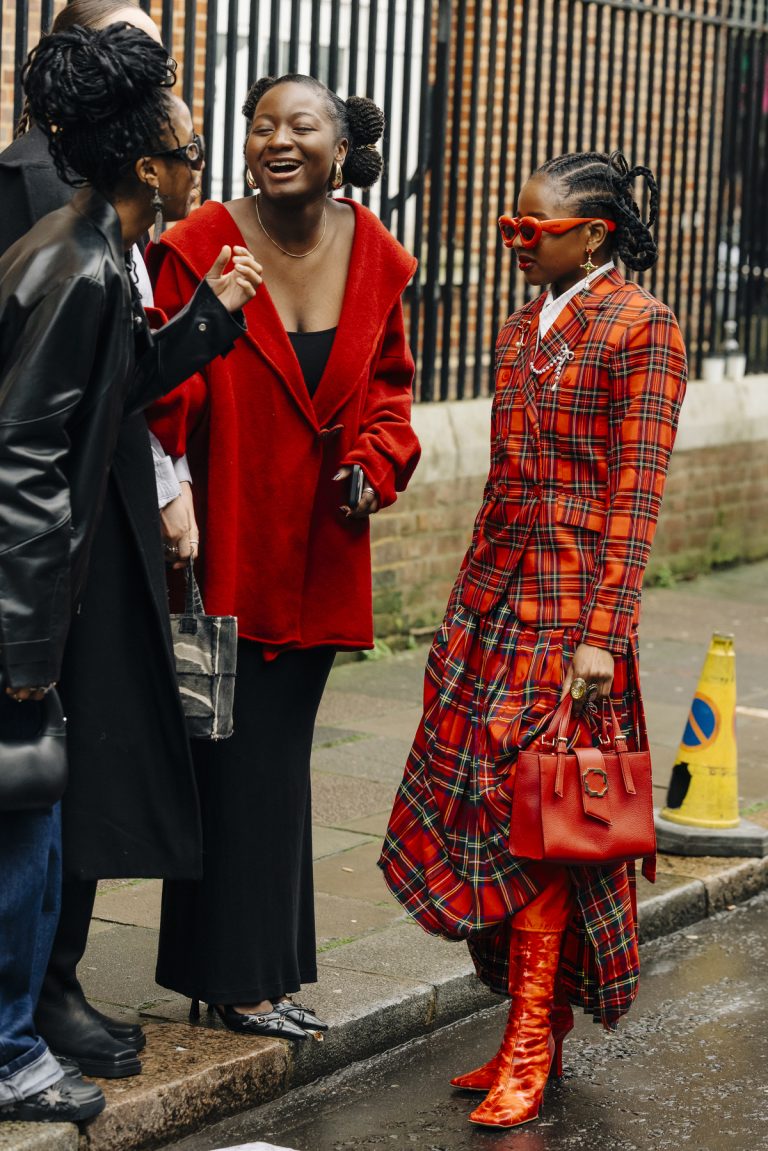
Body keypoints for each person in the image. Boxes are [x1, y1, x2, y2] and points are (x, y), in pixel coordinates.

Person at [379, 150, 688, 1128]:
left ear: (590, 233)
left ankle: (529, 1041)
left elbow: (635, 499)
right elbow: (502, 488)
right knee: (484, 814)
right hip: (494, 609)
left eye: (531, 228)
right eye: (510, 227)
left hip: (571, 622)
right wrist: (459, 611)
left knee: (549, 830)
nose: (515, 240)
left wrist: (605, 632)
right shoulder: (520, 330)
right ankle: (530, 1024)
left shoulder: (644, 329)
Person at [0, 24, 260, 1121]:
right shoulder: (78, 261)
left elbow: (110, 394)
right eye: (190, 151)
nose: (202, 164)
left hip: (41, 602)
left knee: (40, 827)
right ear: (146, 166)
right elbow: (22, 451)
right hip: (23, 607)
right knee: (22, 830)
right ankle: (11, 1050)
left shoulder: (102, 252)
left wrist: (209, 319)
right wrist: (24, 649)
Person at [147, 73, 420, 1040]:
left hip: (320, 557)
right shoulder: (195, 245)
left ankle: (253, 973)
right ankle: (237, 981)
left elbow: (389, 397)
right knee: (228, 762)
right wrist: (171, 494)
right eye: (262, 123)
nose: (278, 138)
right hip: (223, 551)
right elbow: (162, 389)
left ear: (339, 149)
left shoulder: (380, 259)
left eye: (301, 124)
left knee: (277, 763)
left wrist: (374, 465)